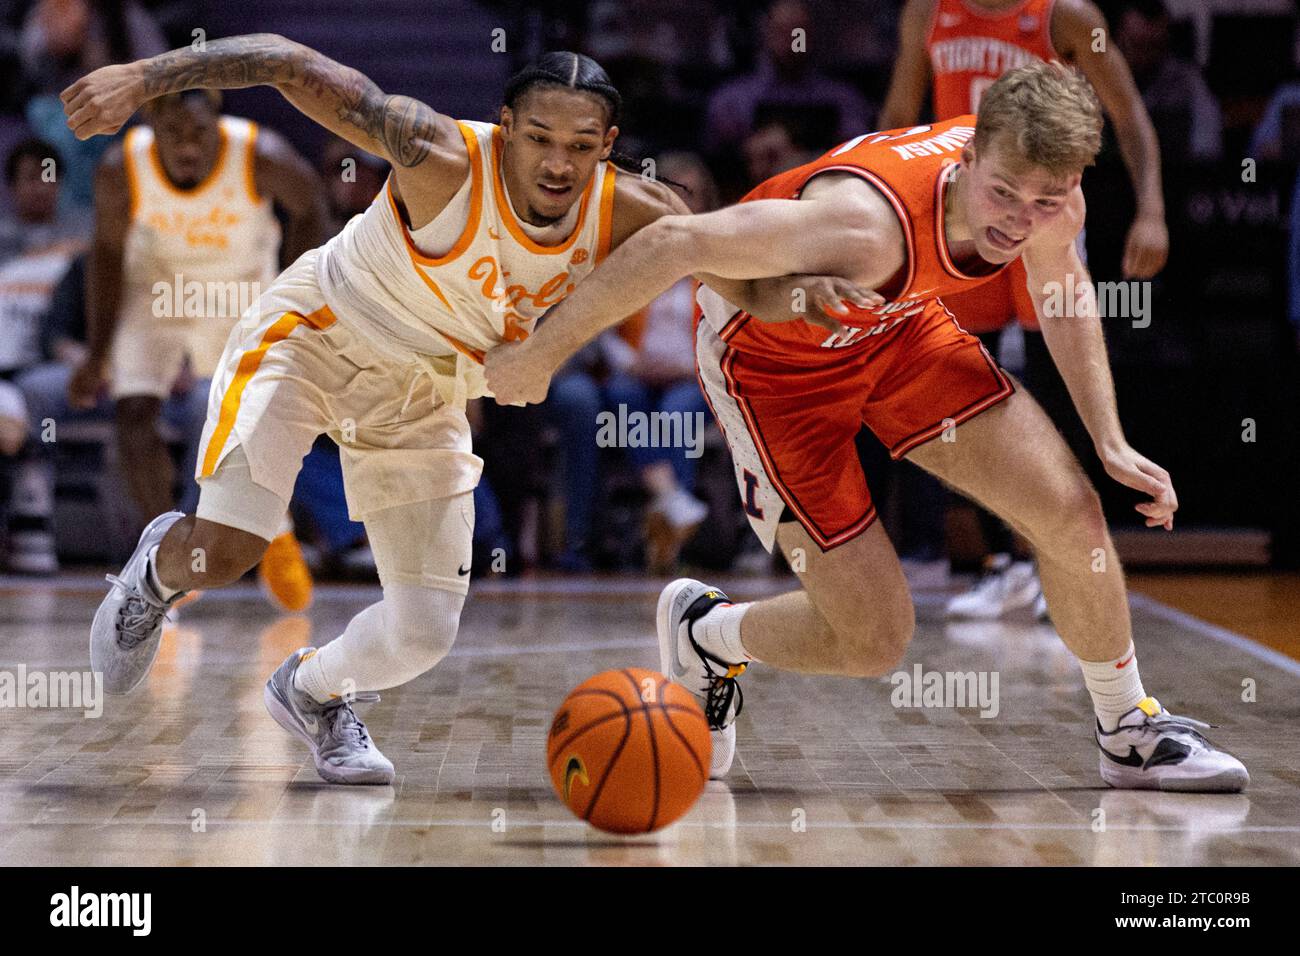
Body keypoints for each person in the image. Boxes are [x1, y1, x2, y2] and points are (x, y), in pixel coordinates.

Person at [485, 62, 1248, 792]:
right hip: (774, 367)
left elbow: (1063, 290)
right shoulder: (862, 225)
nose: (1020, 221)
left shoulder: (1046, 192)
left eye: (1045, 202)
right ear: (969, 154)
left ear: (1074, 183)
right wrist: (540, 352)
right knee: (875, 641)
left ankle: (1129, 729)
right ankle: (706, 634)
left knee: (1072, 514)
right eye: (1004, 195)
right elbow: (676, 241)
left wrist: (1109, 439)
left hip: (897, 330)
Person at [64, 40, 715, 785]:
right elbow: (289, 63)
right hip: (311, 339)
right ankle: (155, 573)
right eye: (538, 139)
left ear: (609, 147)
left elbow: (732, 257)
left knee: (423, 631)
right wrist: (142, 77)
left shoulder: (648, 215)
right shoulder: (435, 152)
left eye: (578, 146)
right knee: (228, 551)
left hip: (422, 390)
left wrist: (820, 293)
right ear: (505, 128)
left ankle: (311, 691)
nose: (557, 164)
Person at [878, 0, 1171, 618]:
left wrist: (1152, 210)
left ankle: (1042, 560)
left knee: (1052, 383)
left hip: (1038, 215)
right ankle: (1002, 566)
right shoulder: (927, 11)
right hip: (962, 209)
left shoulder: (1065, 15)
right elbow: (899, 117)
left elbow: (1129, 114)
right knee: (966, 386)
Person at [66, 88, 325, 612]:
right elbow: (107, 258)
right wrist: (96, 356)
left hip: (241, 290)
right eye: (174, 135)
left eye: (199, 134)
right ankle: (166, 553)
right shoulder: (121, 168)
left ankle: (277, 533)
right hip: (156, 290)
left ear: (219, 124)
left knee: (256, 422)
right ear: (150, 128)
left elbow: (313, 208)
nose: (187, 148)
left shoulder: (262, 154)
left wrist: (298, 300)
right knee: (133, 413)